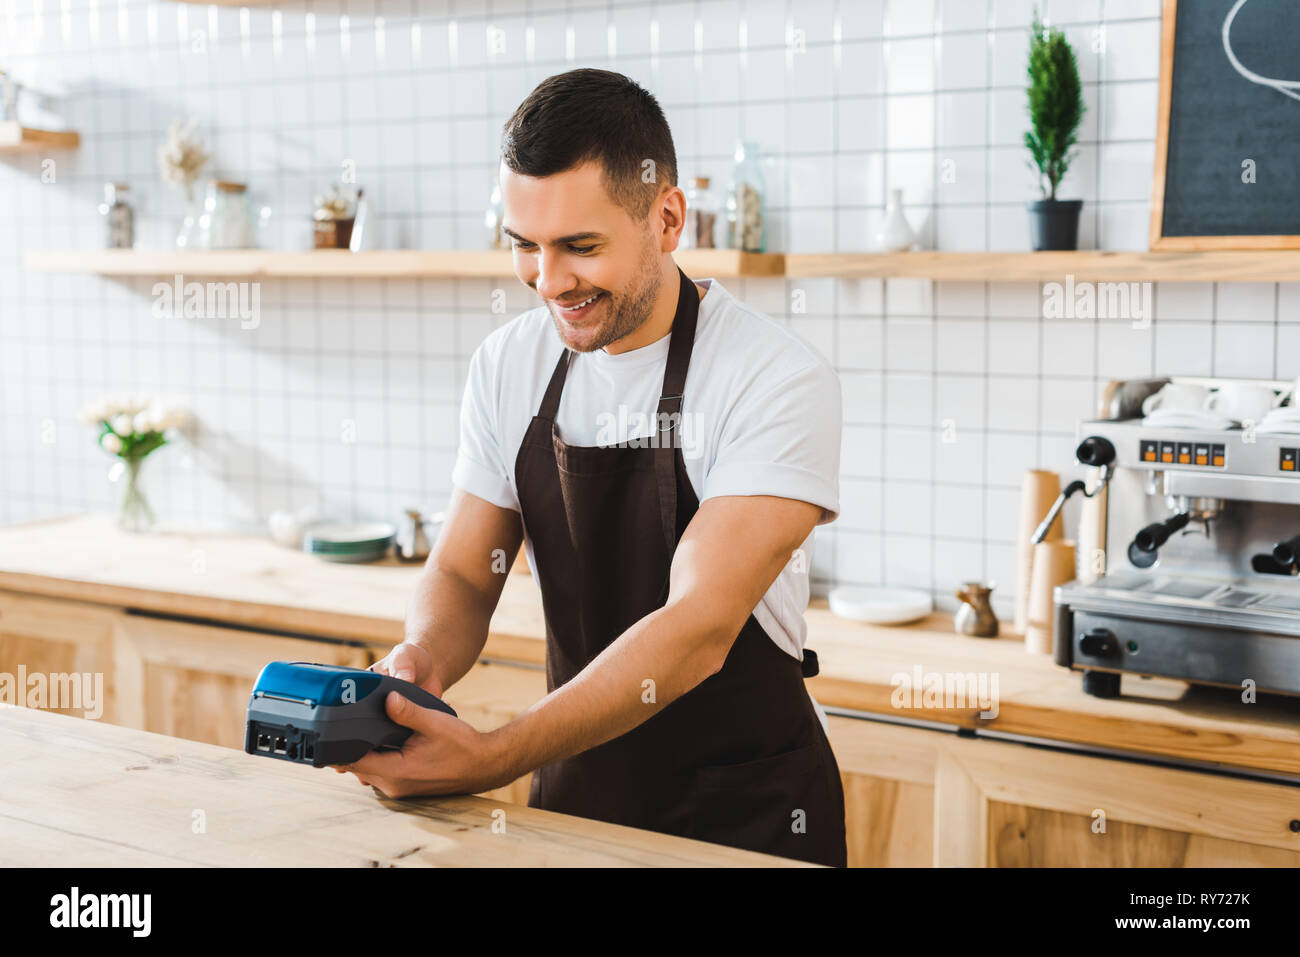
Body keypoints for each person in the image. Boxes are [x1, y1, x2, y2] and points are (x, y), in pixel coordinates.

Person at [340, 68, 847, 867]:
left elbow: (697, 629)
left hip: (748, 822)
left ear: (667, 216)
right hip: (575, 810)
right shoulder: (510, 365)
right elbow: (470, 571)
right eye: (525, 247)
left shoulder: (773, 377)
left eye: (580, 246)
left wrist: (494, 754)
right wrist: (419, 663)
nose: (549, 281)